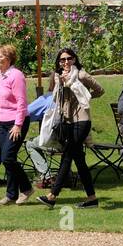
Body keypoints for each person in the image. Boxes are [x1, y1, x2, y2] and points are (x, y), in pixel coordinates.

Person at [39, 46, 104, 209]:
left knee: (67, 156)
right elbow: (54, 97)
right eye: (62, 59)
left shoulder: (81, 75)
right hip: (67, 121)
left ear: (74, 59)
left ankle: (52, 196)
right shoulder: (57, 77)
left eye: (69, 58)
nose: (66, 62)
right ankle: (92, 198)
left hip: (81, 121)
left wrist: (86, 97)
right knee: (79, 161)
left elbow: (100, 90)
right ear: (59, 62)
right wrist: (59, 84)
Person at [0, 43, 33, 206]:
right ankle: (10, 195)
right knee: (9, 158)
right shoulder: (0, 75)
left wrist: (18, 125)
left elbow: (22, 102)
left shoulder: (16, 75)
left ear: (8, 58)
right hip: (3, 121)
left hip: (17, 122)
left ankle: (27, 188)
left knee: (7, 158)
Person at [25, 91, 57, 188]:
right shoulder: (76, 95)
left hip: (54, 141)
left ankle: (47, 177)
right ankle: (67, 175)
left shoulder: (49, 98)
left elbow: (26, 113)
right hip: (75, 142)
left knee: (30, 144)